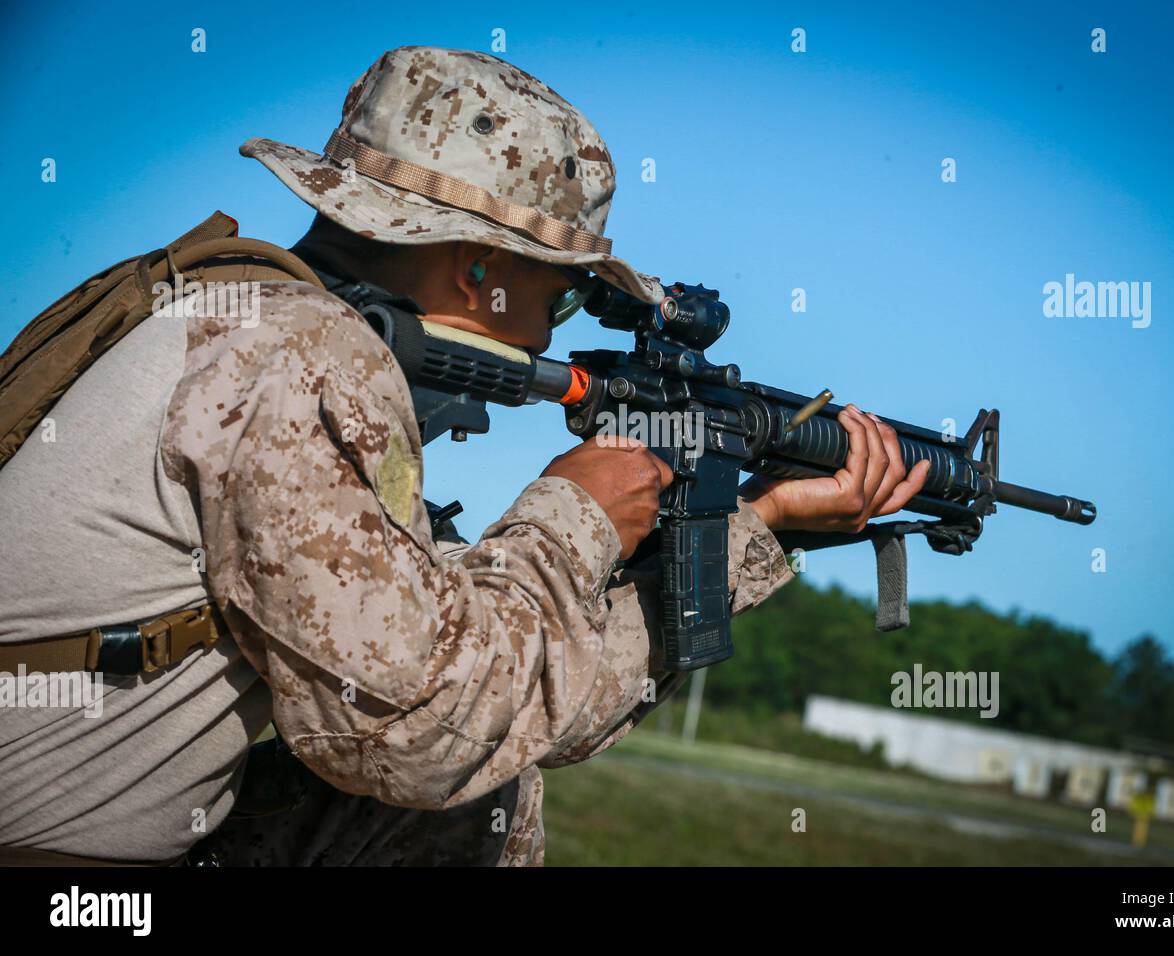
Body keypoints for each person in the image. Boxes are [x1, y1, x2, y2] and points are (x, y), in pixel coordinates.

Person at [0, 46, 927, 866]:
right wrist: (577, 512)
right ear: (478, 271)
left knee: (473, 802)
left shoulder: (219, 306)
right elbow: (428, 730)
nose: (547, 334)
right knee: (472, 801)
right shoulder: (306, 357)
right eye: (561, 300)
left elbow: (469, 672)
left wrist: (756, 526)